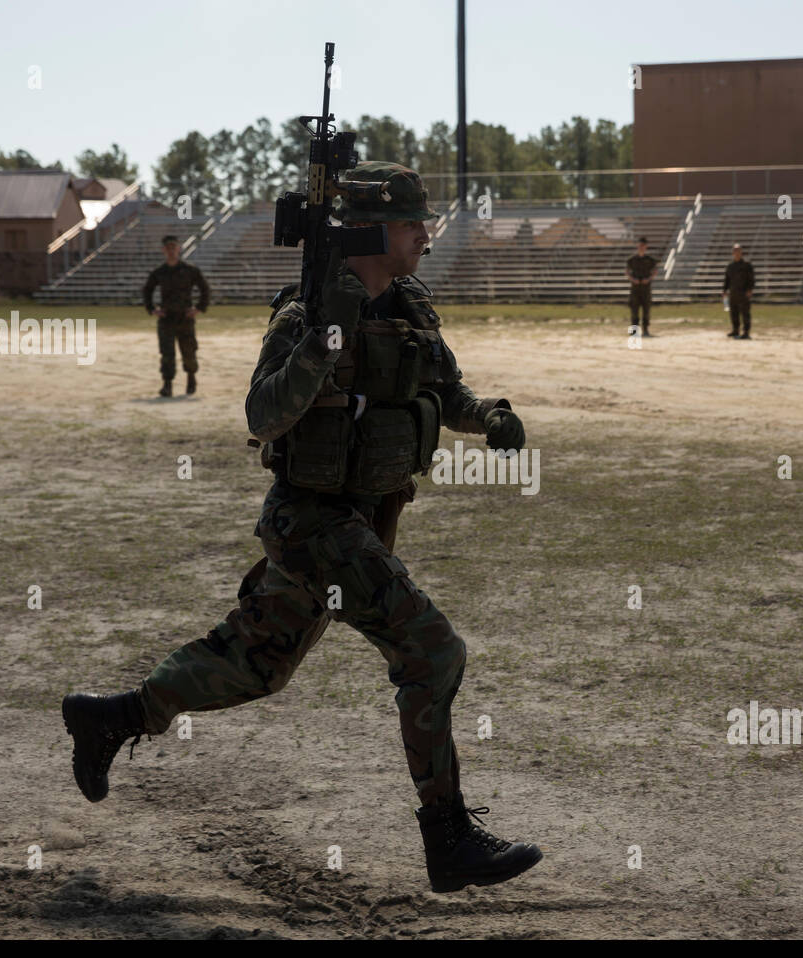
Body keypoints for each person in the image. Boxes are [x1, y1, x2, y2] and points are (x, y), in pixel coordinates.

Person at [64, 162, 543, 893]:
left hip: (362, 524)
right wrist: (324, 341)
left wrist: (490, 418)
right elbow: (263, 416)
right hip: (312, 523)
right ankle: (448, 840)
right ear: (374, 229)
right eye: (413, 221)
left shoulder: (411, 306)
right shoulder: (308, 313)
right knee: (432, 650)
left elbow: (443, 390)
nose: (426, 232)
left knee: (257, 663)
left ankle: (114, 718)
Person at [143, 235, 211, 396]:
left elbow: (205, 289)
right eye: (168, 248)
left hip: (185, 317)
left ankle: (191, 379)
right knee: (167, 353)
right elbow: (147, 291)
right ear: (163, 250)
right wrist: (152, 309)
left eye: (174, 247)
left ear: (179, 249)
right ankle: (167, 384)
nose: (171, 251)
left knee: (189, 351)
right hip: (166, 318)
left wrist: (199, 308)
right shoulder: (159, 272)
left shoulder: (190, 270)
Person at [625, 236, 658, 338]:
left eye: (643, 246)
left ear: (646, 247)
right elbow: (627, 272)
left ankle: (646, 330)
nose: (641, 247)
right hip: (635, 288)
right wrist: (632, 279)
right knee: (634, 310)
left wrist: (649, 279)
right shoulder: (632, 259)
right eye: (640, 246)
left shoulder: (650, 259)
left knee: (646, 310)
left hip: (645, 288)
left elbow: (655, 271)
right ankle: (634, 331)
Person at [722, 243, 754, 339]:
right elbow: (727, 279)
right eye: (735, 251)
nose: (736, 253)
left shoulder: (747, 265)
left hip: (743, 292)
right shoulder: (730, 266)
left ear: (741, 252)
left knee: (745, 313)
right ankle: (735, 330)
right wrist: (724, 290)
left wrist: (750, 289)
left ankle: (746, 332)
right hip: (733, 292)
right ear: (733, 253)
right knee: (734, 312)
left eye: (738, 251)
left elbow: (751, 279)